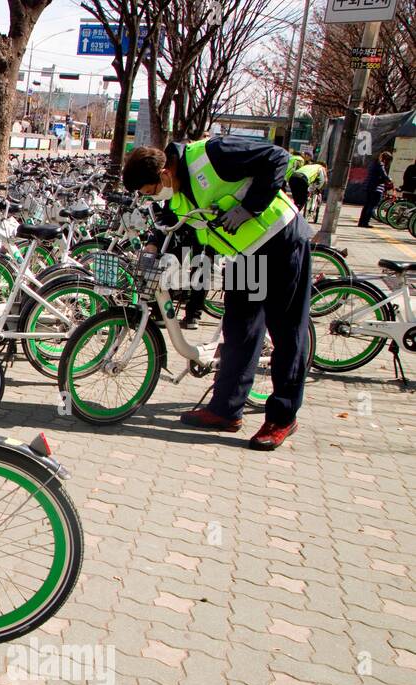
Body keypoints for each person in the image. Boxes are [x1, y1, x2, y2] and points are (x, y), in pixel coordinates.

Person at [122, 137, 313, 451]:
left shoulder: (213, 154)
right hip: (244, 255)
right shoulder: (177, 191)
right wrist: (153, 245)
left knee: (287, 331)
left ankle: (282, 417)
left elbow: (277, 158)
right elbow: (171, 220)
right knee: (238, 330)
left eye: (151, 191)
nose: (155, 197)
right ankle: (225, 409)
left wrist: (249, 208)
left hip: (281, 242)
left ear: (164, 173)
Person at [358, 151, 392, 227]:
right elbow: (384, 176)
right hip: (376, 188)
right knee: (372, 206)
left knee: (366, 205)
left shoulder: (373, 164)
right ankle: (366, 222)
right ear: (387, 159)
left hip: (368, 187)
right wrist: (390, 179)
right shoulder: (380, 165)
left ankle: (361, 222)